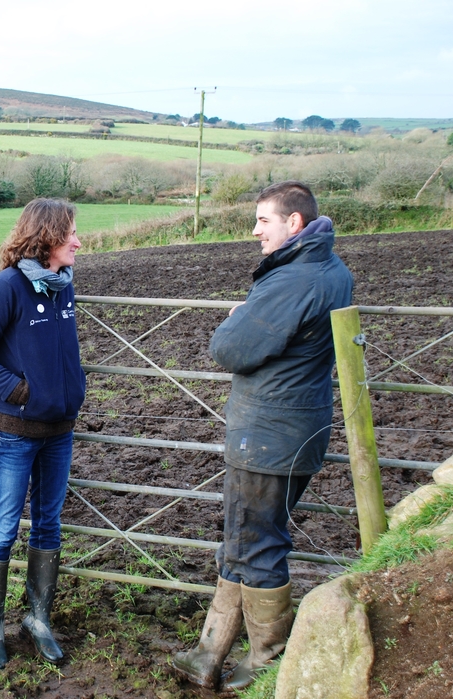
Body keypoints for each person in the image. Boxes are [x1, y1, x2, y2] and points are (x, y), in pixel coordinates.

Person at [173, 181, 353, 692]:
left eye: (263, 220)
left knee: (256, 544)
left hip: (267, 433)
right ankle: (207, 655)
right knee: (243, 540)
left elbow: (231, 350)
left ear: (294, 223)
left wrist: (238, 319)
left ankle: (267, 661)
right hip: (296, 426)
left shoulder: (293, 279)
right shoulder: (330, 268)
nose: (255, 230)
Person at [0, 198, 86, 670]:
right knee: (4, 526)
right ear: (47, 236)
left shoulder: (63, 287)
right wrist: (20, 392)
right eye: (70, 233)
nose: (78, 242)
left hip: (59, 429)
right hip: (14, 429)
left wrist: (70, 391)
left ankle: (38, 620)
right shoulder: (6, 287)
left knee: (49, 522)